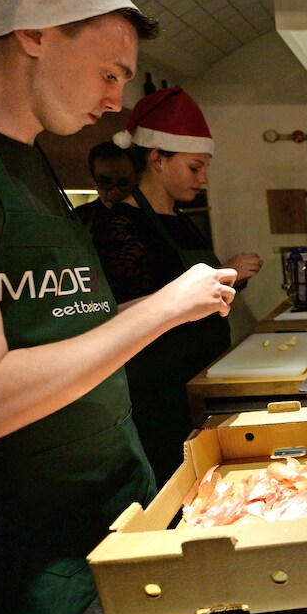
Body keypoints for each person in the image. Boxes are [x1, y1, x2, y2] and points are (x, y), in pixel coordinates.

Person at [0, 1, 243, 614]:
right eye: (110, 72)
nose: (117, 102)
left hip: (120, 512)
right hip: (25, 561)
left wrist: (159, 304)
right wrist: (162, 310)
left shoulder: (31, 158)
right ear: (34, 31)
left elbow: (65, 321)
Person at [93, 85, 263, 481]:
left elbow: (196, 295)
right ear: (157, 158)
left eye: (205, 167)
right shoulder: (120, 222)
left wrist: (229, 276)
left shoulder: (180, 218)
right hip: (162, 391)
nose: (203, 178)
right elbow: (131, 313)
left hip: (202, 379)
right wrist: (224, 272)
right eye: (194, 167)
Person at [73, 140, 138, 225]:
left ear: (136, 178)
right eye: (105, 182)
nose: (115, 191)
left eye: (122, 183)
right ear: (92, 179)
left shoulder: (152, 218)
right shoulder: (78, 218)